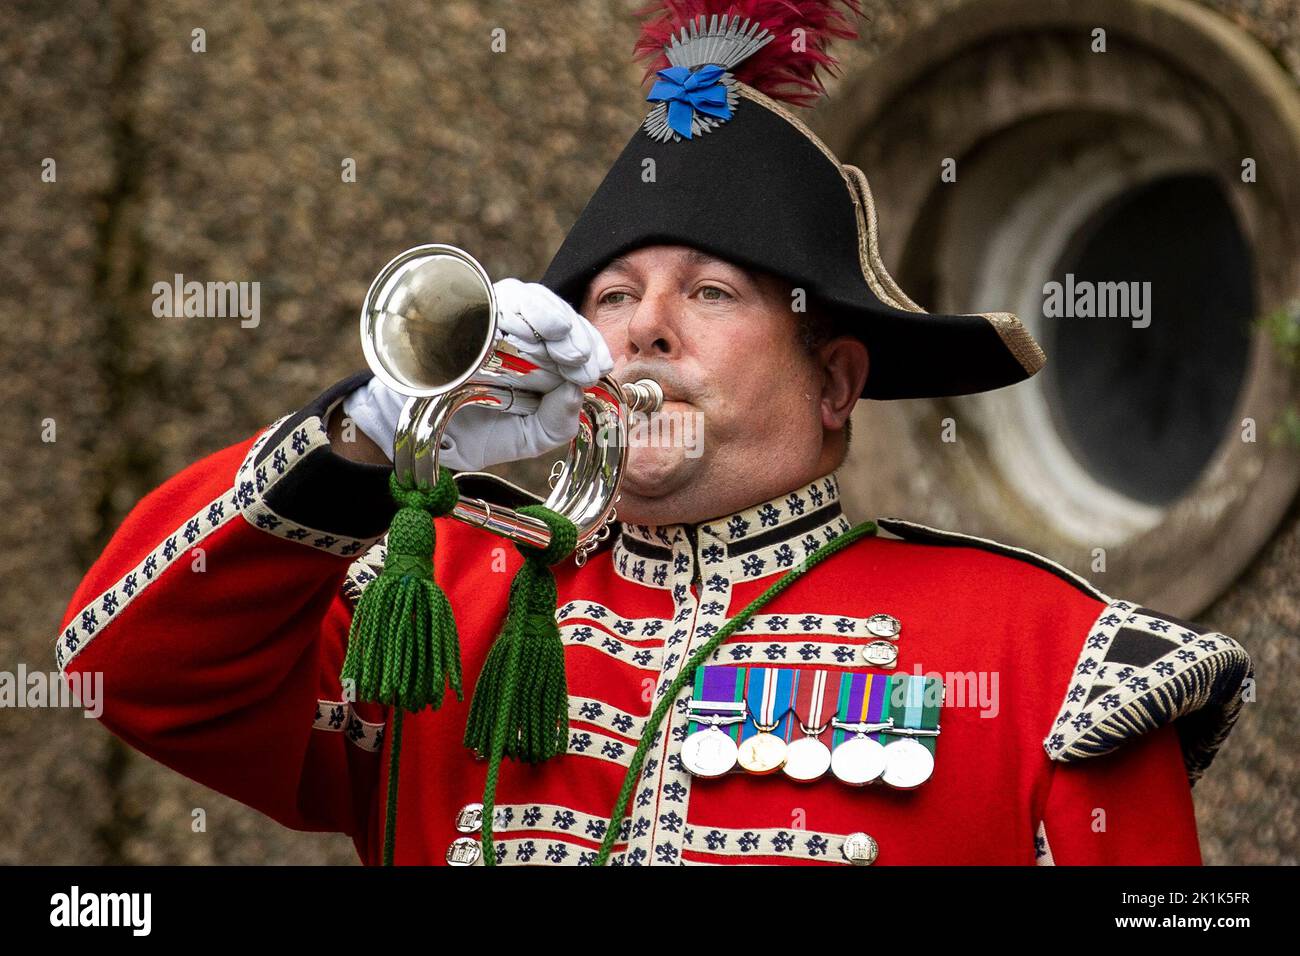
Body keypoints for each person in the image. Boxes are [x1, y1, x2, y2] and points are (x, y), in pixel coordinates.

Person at [56, 0, 1250, 866]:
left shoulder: (1045, 658)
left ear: (836, 380)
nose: (644, 332)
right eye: (611, 297)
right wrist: (379, 432)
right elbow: (129, 667)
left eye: (711, 292)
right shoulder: (440, 602)